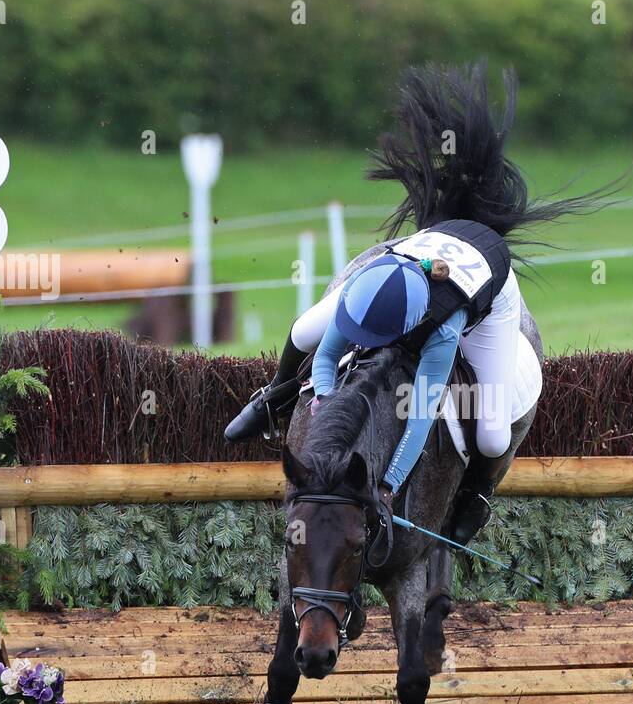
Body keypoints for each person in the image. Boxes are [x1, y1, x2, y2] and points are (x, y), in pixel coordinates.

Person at [224, 216, 524, 546]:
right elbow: (325, 357)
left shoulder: (443, 329)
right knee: (306, 329)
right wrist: (325, 400)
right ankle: (273, 396)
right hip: (419, 251)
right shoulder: (361, 286)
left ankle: (476, 495)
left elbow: (420, 416)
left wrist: (388, 485)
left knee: (493, 438)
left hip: (491, 282)